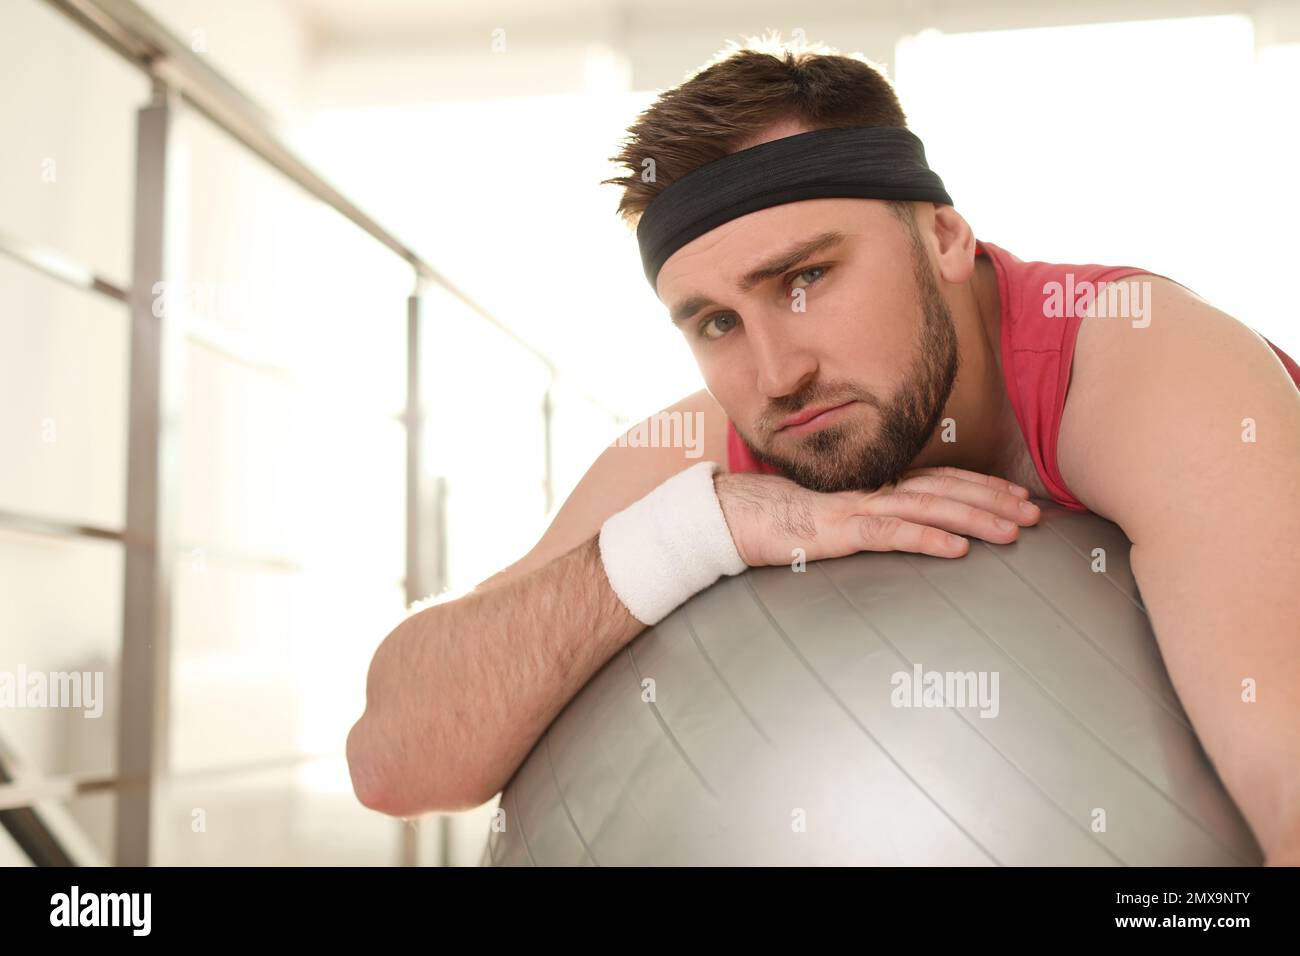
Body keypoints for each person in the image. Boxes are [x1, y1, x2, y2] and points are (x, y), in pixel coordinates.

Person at [346, 40, 1300, 864]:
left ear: (944, 237)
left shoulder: (1143, 368)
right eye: (717, 321)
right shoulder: (713, 452)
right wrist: (696, 530)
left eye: (806, 277)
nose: (777, 374)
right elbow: (393, 757)